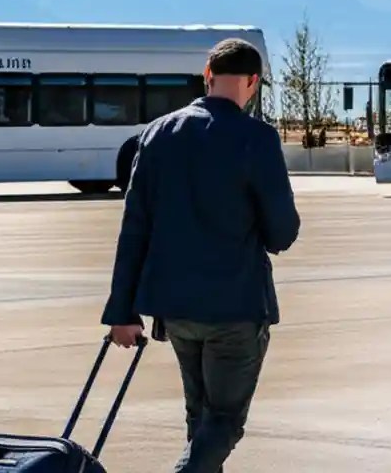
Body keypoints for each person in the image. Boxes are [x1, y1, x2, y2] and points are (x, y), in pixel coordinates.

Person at [100, 38, 301, 472]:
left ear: (207, 76)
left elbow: (134, 229)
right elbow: (282, 233)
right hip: (235, 307)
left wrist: (122, 310)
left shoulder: (156, 134)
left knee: (201, 421)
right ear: (253, 82)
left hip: (176, 312)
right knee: (224, 421)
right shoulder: (257, 138)